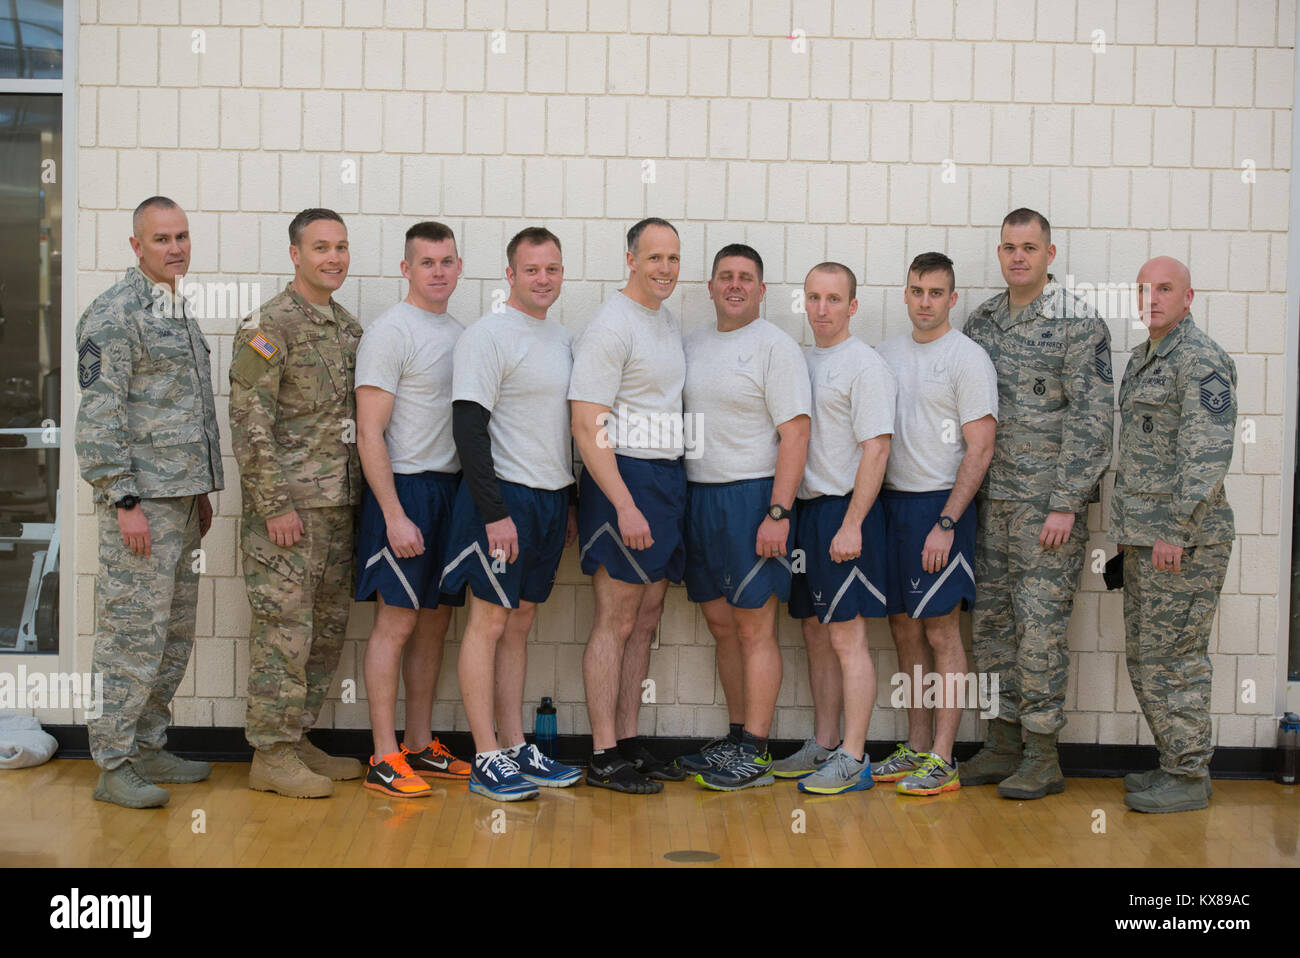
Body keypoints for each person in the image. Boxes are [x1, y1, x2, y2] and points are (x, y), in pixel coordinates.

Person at [76, 196, 223, 808]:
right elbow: (99, 414)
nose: (176, 247)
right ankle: (113, 764)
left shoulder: (178, 309)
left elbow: (187, 412)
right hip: (141, 506)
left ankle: (149, 745)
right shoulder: (115, 314)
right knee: (130, 635)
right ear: (135, 246)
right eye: (161, 238)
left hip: (181, 503)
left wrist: (201, 492)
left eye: (182, 235)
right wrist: (122, 497)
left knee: (171, 634)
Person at [963, 209, 1114, 799]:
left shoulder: (1079, 323)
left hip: (1047, 512)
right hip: (991, 504)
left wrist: (1066, 503)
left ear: (1050, 254)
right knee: (993, 628)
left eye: (1029, 247)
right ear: (998, 253)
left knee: (1041, 631)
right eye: (1008, 247)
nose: (1017, 257)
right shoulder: (983, 321)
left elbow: (1093, 420)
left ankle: (1042, 753)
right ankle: (1001, 743)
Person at [440, 227, 582, 801]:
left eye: (551, 269)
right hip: (502, 501)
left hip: (550, 499)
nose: (542, 279)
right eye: (531, 270)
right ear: (510, 275)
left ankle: (517, 744)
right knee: (489, 622)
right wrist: (495, 512)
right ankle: (486, 755)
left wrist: (568, 500)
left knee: (520, 623)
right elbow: (468, 429)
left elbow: (559, 430)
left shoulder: (563, 339)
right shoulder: (487, 336)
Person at [231, 208, 364, 798]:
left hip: (338, 507)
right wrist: (274, 503)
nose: (332, 258)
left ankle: (298, 736)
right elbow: (249, 419)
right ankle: (270, 753)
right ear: (295, 255)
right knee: (283, 633)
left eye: (340, 247)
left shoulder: (348, 328)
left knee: (325, 632)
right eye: (320, 248)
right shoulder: (268, 325)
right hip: (285, 514)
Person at [675, 244, 811, 790]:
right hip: (699, 497)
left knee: (755, 627)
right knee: (720, 624)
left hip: (754, 498)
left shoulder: (776, 348)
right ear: (709, 287)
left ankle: (755, 750)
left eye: (746, 278)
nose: (735, 285)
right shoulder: (691, 345)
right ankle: (735, 736)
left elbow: (796, 434)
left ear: (761, 289)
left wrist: (778, 511)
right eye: (725, 277)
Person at [355, 221, 473, 798]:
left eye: (447, 261)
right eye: (426, 262)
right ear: (406, 269)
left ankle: (420, 744)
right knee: (396, 622)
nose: (438, 271)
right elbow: (369, 431)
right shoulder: (389, 332)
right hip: (402, 493)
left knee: (434, 623)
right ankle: (382, 754)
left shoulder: (462, 333)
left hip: (450, 493)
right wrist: (394, 512)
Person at [570, 218, 688, 794]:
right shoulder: (610, 324)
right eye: (654, 257)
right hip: (624, 483)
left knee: (646, 621)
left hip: (666, 480)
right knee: (615, 621)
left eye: (673, 258)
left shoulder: (665, 320)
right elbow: (586, 424)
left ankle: (628, 738)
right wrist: (623, 504)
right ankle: (601, 753)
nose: (664, 268)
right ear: (630, 260)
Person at [1114, 256, 1235, 814]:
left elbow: (1206, 456)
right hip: (1145, 540)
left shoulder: (1201, 359)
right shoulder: (1143, 359)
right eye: (1145, 289)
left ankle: (1189, 775)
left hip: (1181, 542)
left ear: (1188, 297)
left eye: (1165, 289)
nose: (1152, 298)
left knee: (1177, 659)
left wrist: (1176, 532)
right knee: (1146, 656)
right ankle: (1174, 763)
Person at [873, 252, 998, 796]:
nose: (925, 301)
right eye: (917, 291)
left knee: (941, 629)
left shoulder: (968, 359)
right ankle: (917, 746)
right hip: (892, 505)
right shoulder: (885, 355)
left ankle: (944, 759)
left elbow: (982, 444)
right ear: (906, 294)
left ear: (952, 298)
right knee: (903, 628)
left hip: (940, 509)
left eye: (936, 293)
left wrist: (948, 520)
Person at [777, 263, 894, 795]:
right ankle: (824, 744)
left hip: (843, 511)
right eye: (813, 298)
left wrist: (853, 523)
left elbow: (877, 448)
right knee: (814, 631)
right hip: (804, 512)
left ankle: (854, 756)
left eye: (833, 299)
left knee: (847, 638)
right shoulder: (799, 361)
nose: (822, 309)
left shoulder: (864, 365)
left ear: (852, 305)